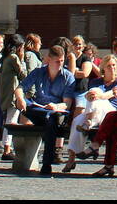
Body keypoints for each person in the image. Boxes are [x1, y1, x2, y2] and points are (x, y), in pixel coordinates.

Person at [13, 44, 77, 176]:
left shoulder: (68, 77)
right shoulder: (39, 72)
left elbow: (67, 104)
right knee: (24, 104)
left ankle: (46, 164)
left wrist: (56, 106)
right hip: (39, 108)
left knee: (51, 120)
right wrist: (20, 98)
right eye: (57, 61)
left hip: (56, 113)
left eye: (62, 61)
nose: (60, 64)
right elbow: (20, 88)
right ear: (49, 59)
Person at [63, 54, 117, 171]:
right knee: (77, 120)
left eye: (114, 65)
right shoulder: (95, 81)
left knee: (96, 95)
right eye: (109, 66)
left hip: (111, 112)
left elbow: (114, 93)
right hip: (94, 112)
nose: (112, 68)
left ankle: (88, 123)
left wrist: (100, 95)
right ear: (103, 68)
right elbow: (89, 96)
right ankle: (71, 158)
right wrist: (91, 95)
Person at [0, 33, 30, 159]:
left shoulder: (5, 57)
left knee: (9, 119)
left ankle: (7, 147)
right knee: (12, 120)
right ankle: (7, 149)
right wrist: (22, 59)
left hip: (6, 92)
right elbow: (24, 75)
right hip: (13, 94)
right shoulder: (13, 58)